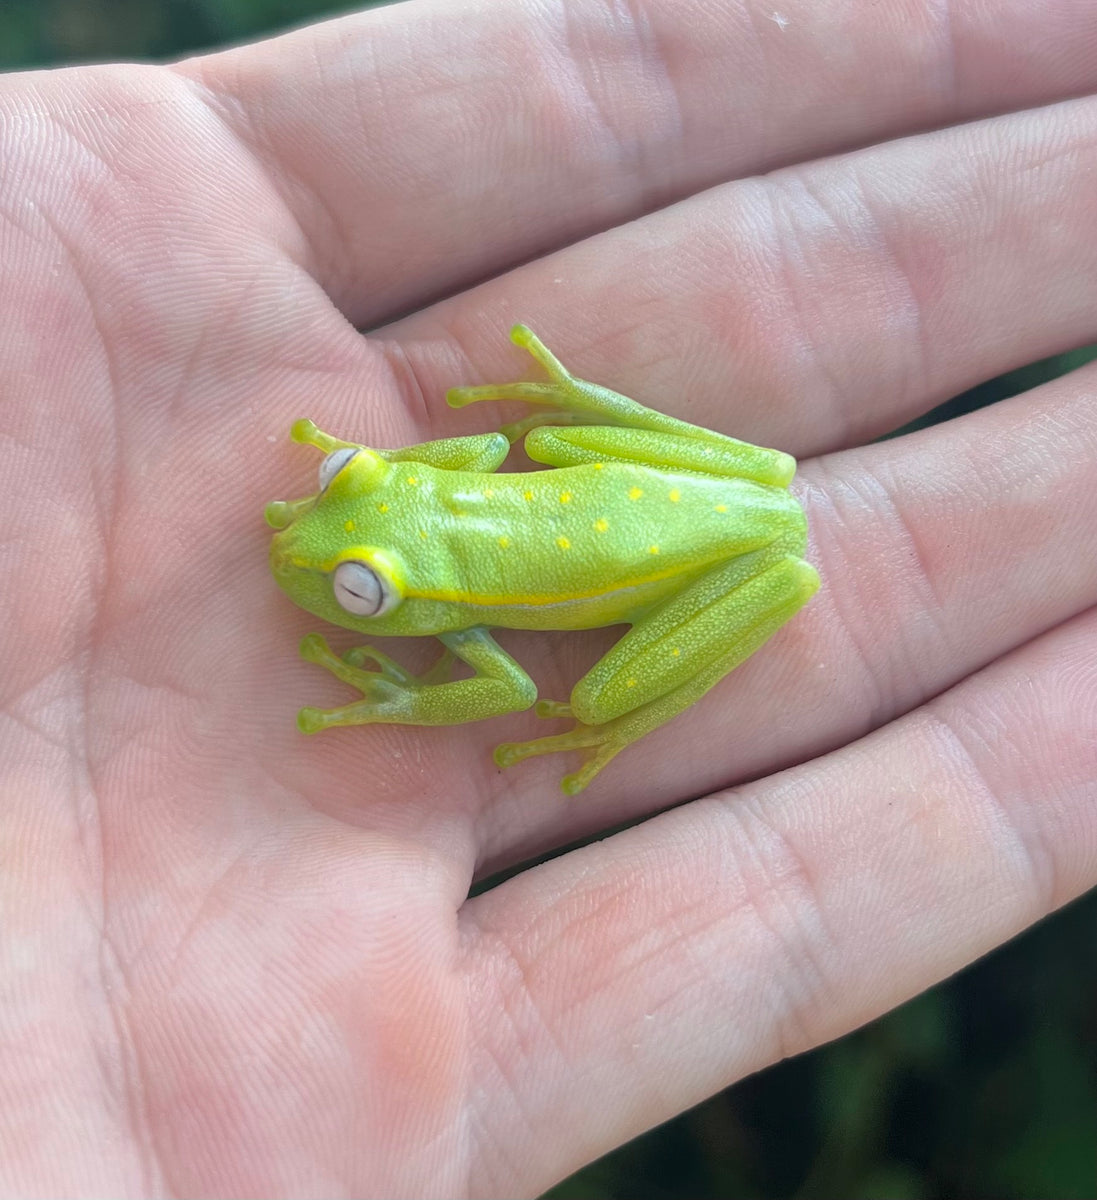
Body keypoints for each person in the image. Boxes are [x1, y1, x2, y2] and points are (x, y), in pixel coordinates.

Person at [1, 0, 1095, 1194]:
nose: (311, 539)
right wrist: (391, 475)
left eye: (360, 586)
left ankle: (615, 711)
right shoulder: (409, 502)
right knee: (596, 460)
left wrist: (402, 690)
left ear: (404, 602)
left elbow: (508, 681)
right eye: (340, 486)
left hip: (714, 558)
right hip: (670, 497)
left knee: (588, 687)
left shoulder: (446, 610)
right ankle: (572, 452)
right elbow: (466, 466)